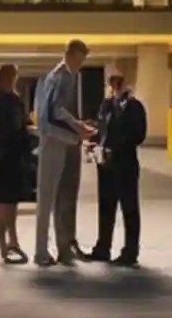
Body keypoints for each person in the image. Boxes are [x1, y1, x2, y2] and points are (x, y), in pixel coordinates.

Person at [33, 39, 96, 267]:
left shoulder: (55, 76)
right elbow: (54, 113)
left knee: (54, 199)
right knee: (50, 199)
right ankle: (42, 251)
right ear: (71, 54)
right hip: (55, 142)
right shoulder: (62, 77)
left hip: (55, 141)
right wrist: (78, 130)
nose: (81, 63)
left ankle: (58, 248)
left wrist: (77, 128)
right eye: (80, 58)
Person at [85, 72, 147, 267]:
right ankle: (102, 248)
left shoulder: (134, 106)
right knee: (106, 206)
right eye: (112, 81)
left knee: (129, 207)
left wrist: (120, 144)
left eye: (119, 81)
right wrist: (95, 143)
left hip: (125, 162)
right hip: (106, 162)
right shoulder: (107, 105)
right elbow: (102, 129)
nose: (115, 84)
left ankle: (130, 251)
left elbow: (139, 133)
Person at [0, 64, 30, 264]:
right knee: (9, 200)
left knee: (3, 198)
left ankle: (5, 242)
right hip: (12, 155)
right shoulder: (12, 100)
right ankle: (11, 241)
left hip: (2, 154)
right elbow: (17, 128)